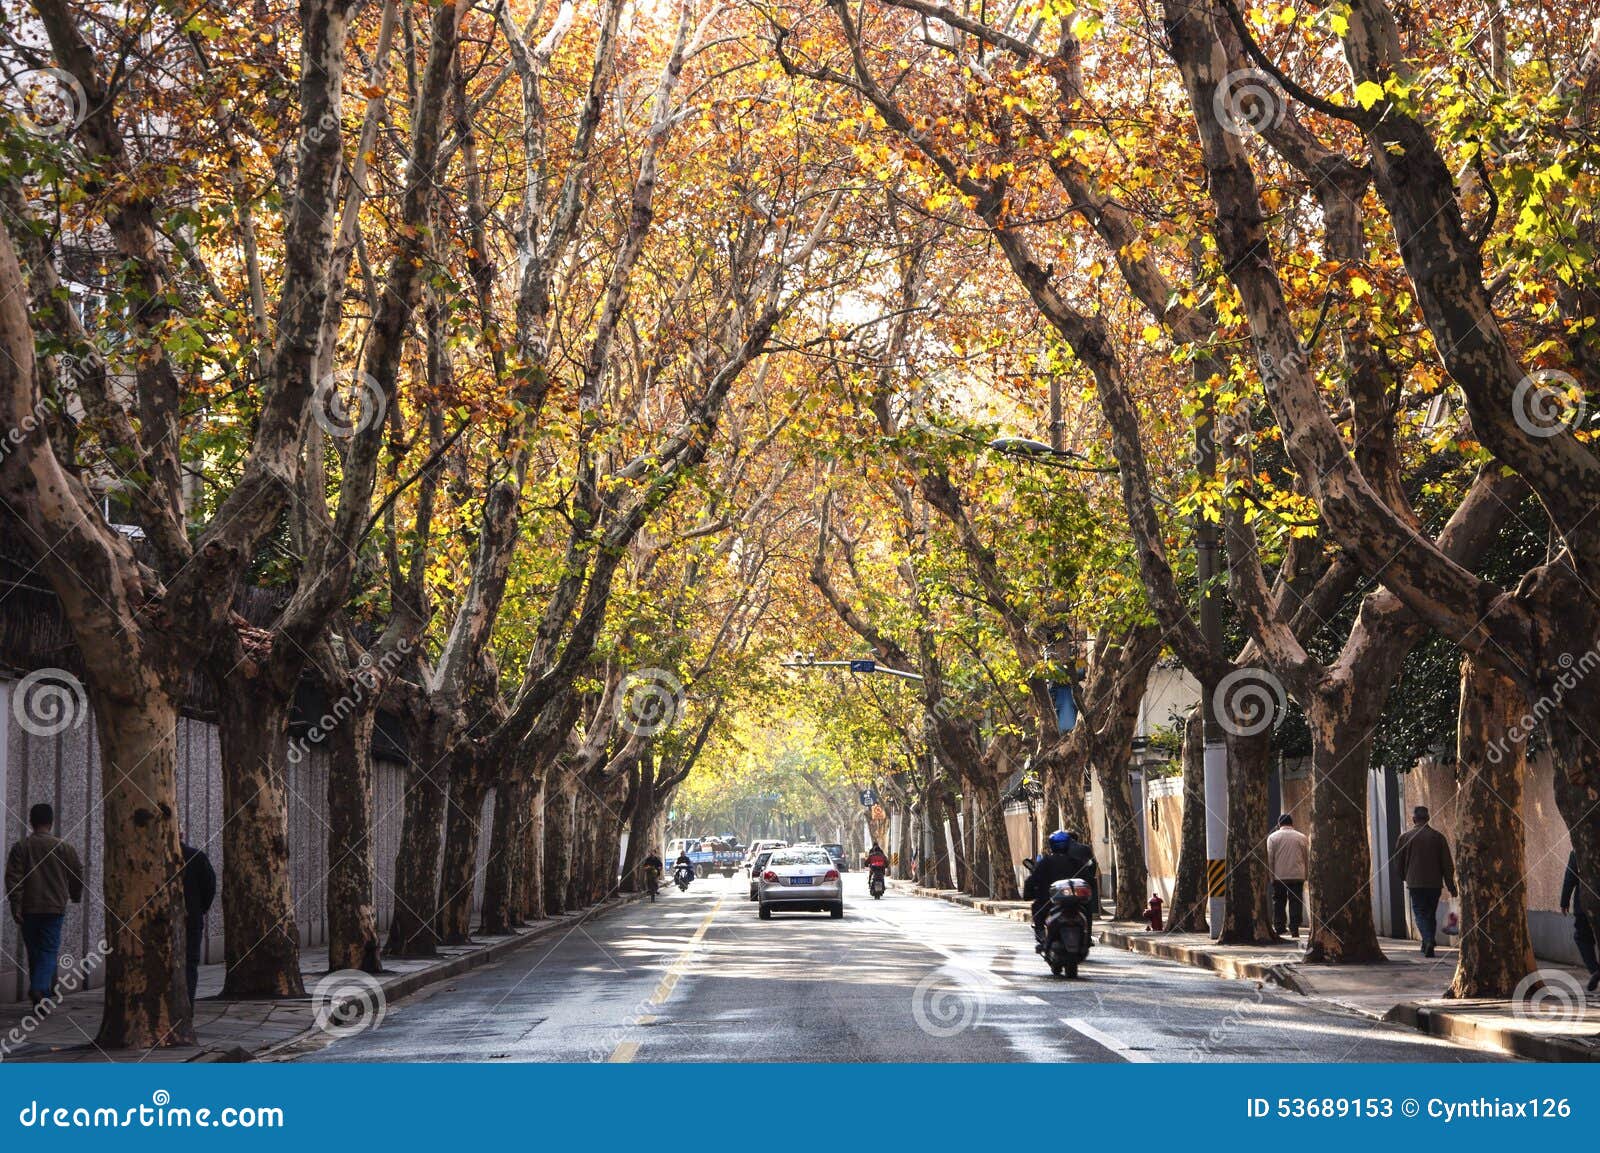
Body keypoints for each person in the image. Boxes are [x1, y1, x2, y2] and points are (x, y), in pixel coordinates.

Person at [5, 803, 85, 1009]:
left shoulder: (21, 847)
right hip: (53, 908)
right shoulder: (64, 847)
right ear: (51, 822)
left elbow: (13, 879)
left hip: (28, 909)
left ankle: (41, 996)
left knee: (34, 953)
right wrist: (75, 895)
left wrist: (16, 905)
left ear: (31, 821)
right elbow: (77, 874)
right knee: (48, 951)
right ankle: (41, 989)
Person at [1393, 805, 1456, 958]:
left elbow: (1397, 861)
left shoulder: (1405, 837)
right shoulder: (1438, 837)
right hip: (1434, 883)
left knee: (1420, 913)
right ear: (1428, 819)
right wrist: (1451, 885)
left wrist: (1402, 876)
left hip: (1415, 882)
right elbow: (1447, 864)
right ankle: (1427, 943)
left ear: (1414, 819)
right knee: (1430, 913)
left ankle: (1427, 940)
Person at [1022, 830, 1097, 942]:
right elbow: (1090, 877)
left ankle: (1040, 932)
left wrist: (1028, 893)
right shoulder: (1077, 861)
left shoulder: (1046, 862)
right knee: (1087, 909)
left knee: (1038, 907)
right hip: (1074, 899)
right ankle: (1087, 937)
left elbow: (1033, 880)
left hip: (1052, 900)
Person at [180, 836, 217, 1004]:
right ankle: (186, 1008)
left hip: (157, 922)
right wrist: (199, 909)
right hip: (191, 918)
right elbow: (210, 886)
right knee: (189, 963)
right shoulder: (196, 857)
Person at [1560, 850, 1600, 992]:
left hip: (1584, 903)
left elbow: (1570, 876)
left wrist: (1564, 901)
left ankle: (1595, 969)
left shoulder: (1579, 847)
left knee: (1582, 937)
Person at [1266, 813, 1309, 939]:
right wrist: (1305, 875)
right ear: (1292, 824)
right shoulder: (1302, 837)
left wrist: (1271, 876)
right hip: (1297, 875)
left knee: (1279, 901)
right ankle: (1295, 928)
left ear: (1279, 824)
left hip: (1279, 876)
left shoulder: (1272, 838)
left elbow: (1270, 859)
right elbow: (1306, 858)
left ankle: (1279, 927)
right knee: (1296, 901)